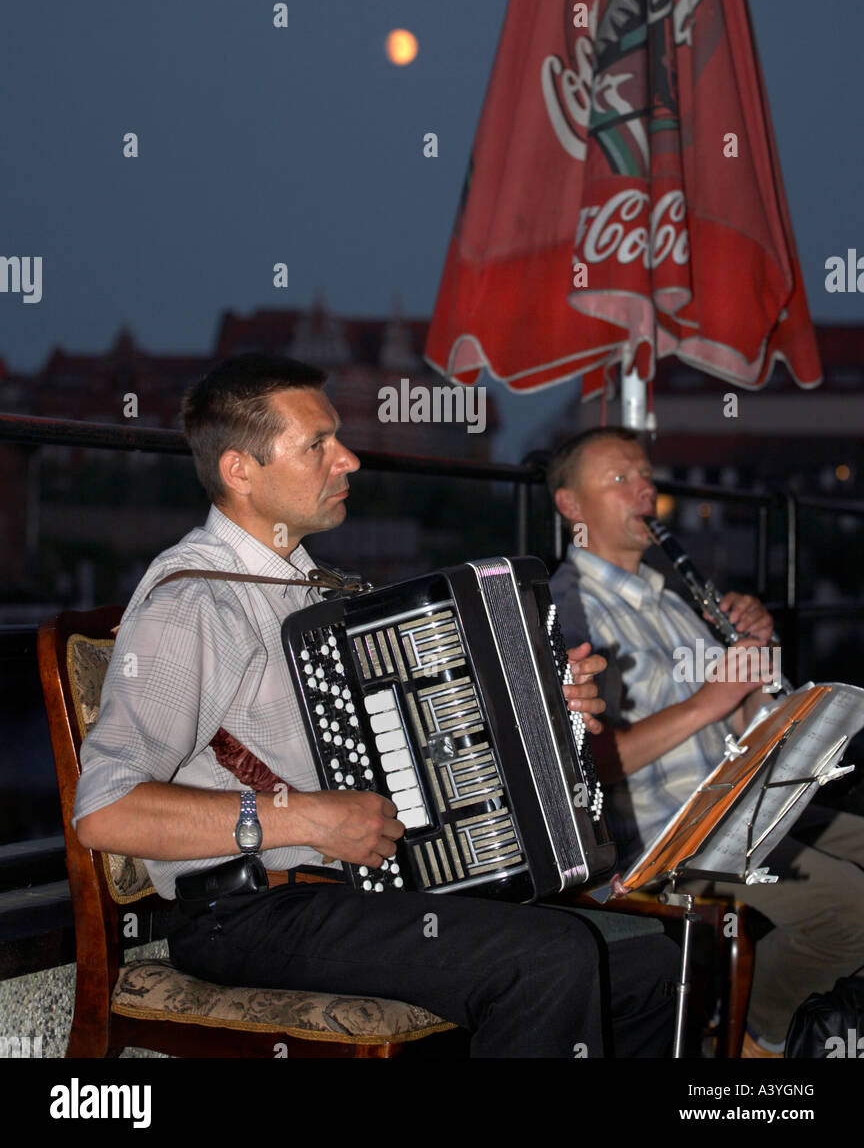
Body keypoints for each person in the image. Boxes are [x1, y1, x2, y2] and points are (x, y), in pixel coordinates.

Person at [73, 356, 677, 1059]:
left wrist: (547, 704)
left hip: (363, 887)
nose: (349, 459)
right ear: (240, 471)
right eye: (318, 445)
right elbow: (105, 810)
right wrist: (298, 818)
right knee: (549, 959)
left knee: (650, 968)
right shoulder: (193, 602)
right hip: (249, 910)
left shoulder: (315, 588)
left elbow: (425, 735)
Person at [548, 425, 864, 1057]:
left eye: (645, 475)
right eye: (619, 479)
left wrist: (753, 666)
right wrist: (706, 700)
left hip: (737, 801)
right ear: (571, 507)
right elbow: (588, 765)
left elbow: (746, 717)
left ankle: (812, 1017)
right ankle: (751, 1036)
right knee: (852, 910)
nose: (644, 490)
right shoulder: (569, 610)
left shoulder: (675, 600)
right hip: (668, 843)